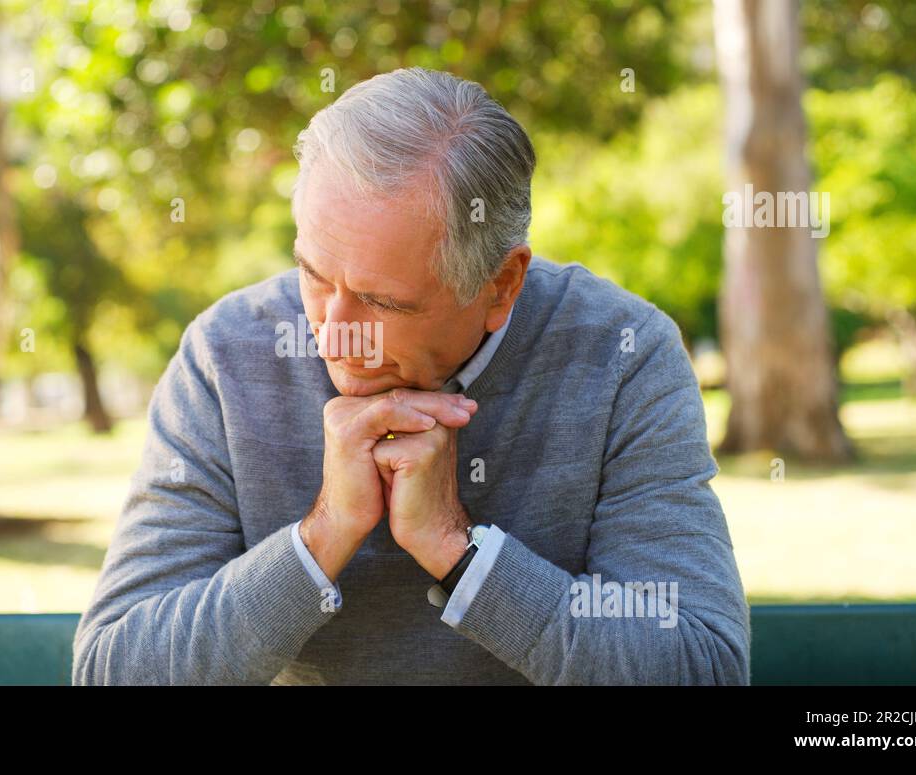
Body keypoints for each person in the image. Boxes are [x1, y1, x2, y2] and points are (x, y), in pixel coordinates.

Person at [73, 67, 750, 685]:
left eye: (383, 301)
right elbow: (115, 668)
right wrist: (324, 533)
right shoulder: (224, 358)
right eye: (313, 274)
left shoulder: (623, 357)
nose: (334, 333)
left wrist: (459, 553)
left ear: (501, 285)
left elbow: (701, 665)